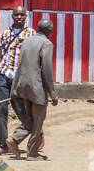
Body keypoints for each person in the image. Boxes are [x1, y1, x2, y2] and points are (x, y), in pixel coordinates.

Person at [0, 6, 34, 153]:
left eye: (22, 15)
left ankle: (32, 137)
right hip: (4, 76)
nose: (19, 17)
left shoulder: (31, 34)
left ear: (26, 16)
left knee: (22, 112)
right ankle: (2, 145)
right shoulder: (6, 33)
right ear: (12, 16)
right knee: (1, 109)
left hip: (19, 80)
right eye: (16, 15)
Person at [8, 18, 57, 158]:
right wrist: (52, 93)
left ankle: (15, 139)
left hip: (22, 85)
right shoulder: (46, 44)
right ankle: (32, 152)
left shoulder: (27, 41)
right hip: (36, 86)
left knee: (30, 119)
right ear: (49, 31)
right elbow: (46, 69)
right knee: (39, 119)